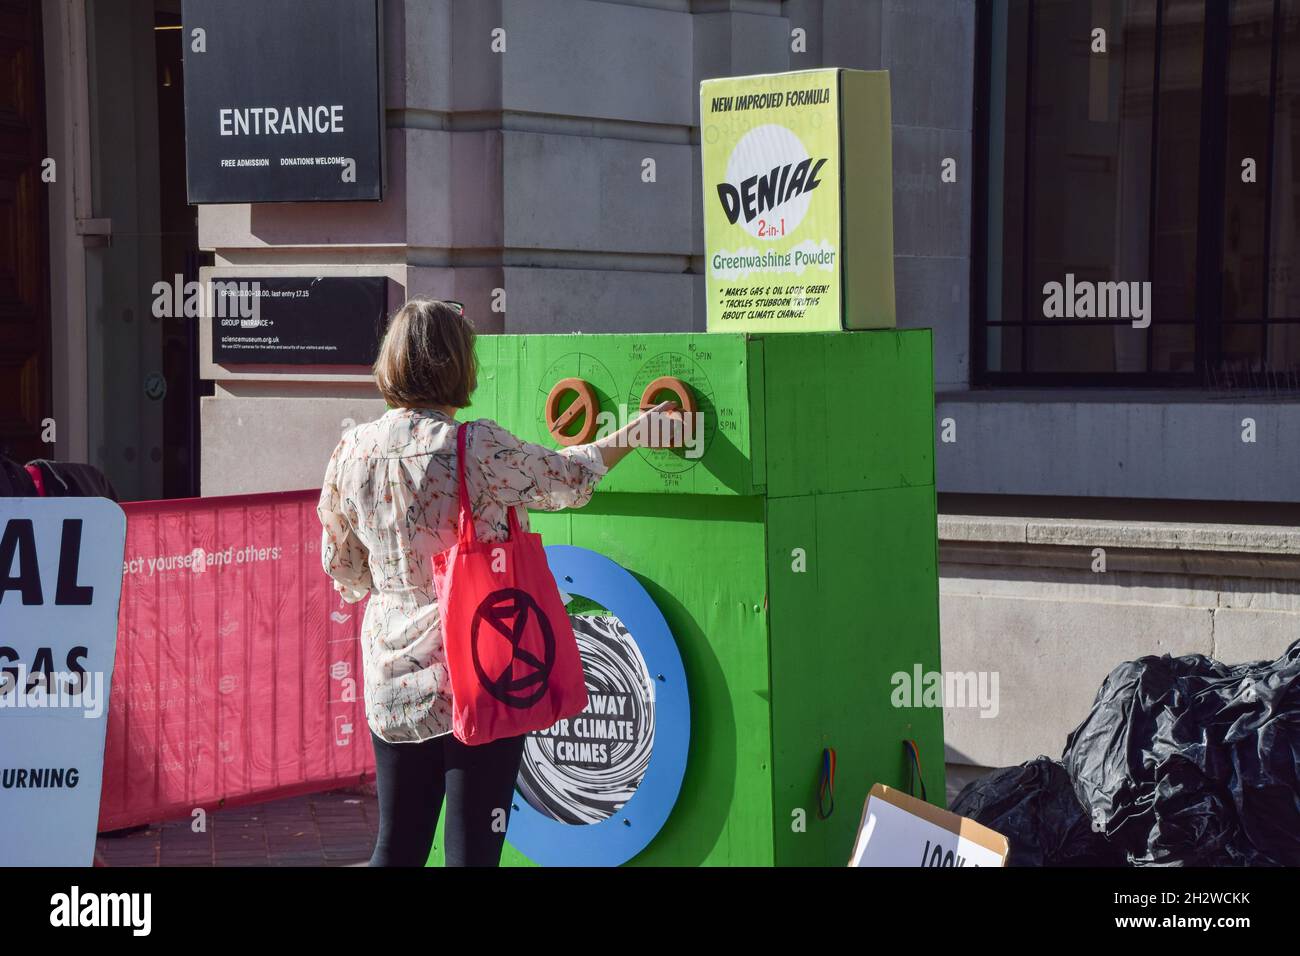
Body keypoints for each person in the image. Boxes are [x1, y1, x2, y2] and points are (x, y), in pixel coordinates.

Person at [317, 297, 684, 866]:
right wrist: (634, 432)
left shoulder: (351, 450)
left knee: (397, 845)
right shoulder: (474, 445)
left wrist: (397, 576)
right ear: (457, 364)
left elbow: (342, 570)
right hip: (480, 668)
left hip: (389, 671)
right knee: (473, 851)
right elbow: (568, 479)